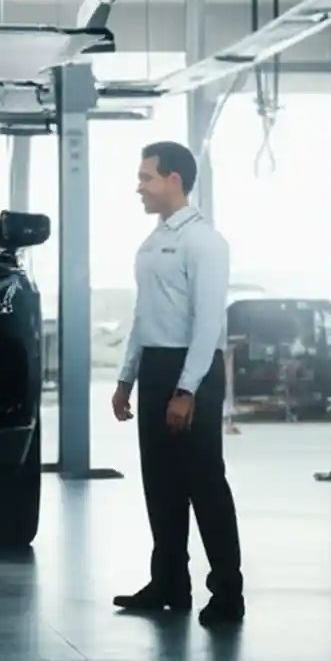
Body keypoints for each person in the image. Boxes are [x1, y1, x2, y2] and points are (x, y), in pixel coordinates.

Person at [110, 141, 245, 627]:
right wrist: (127, 377)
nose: (139, 186)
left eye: (146, 177)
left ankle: (228, 591)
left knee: (204, 483)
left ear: (174, 180)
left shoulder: (205, 241)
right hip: (155, 367)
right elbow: (144, 315)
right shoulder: (153, 241)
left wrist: (186, 390)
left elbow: (208, 322)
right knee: (160, 484)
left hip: (195, 370)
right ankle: (169, 583)